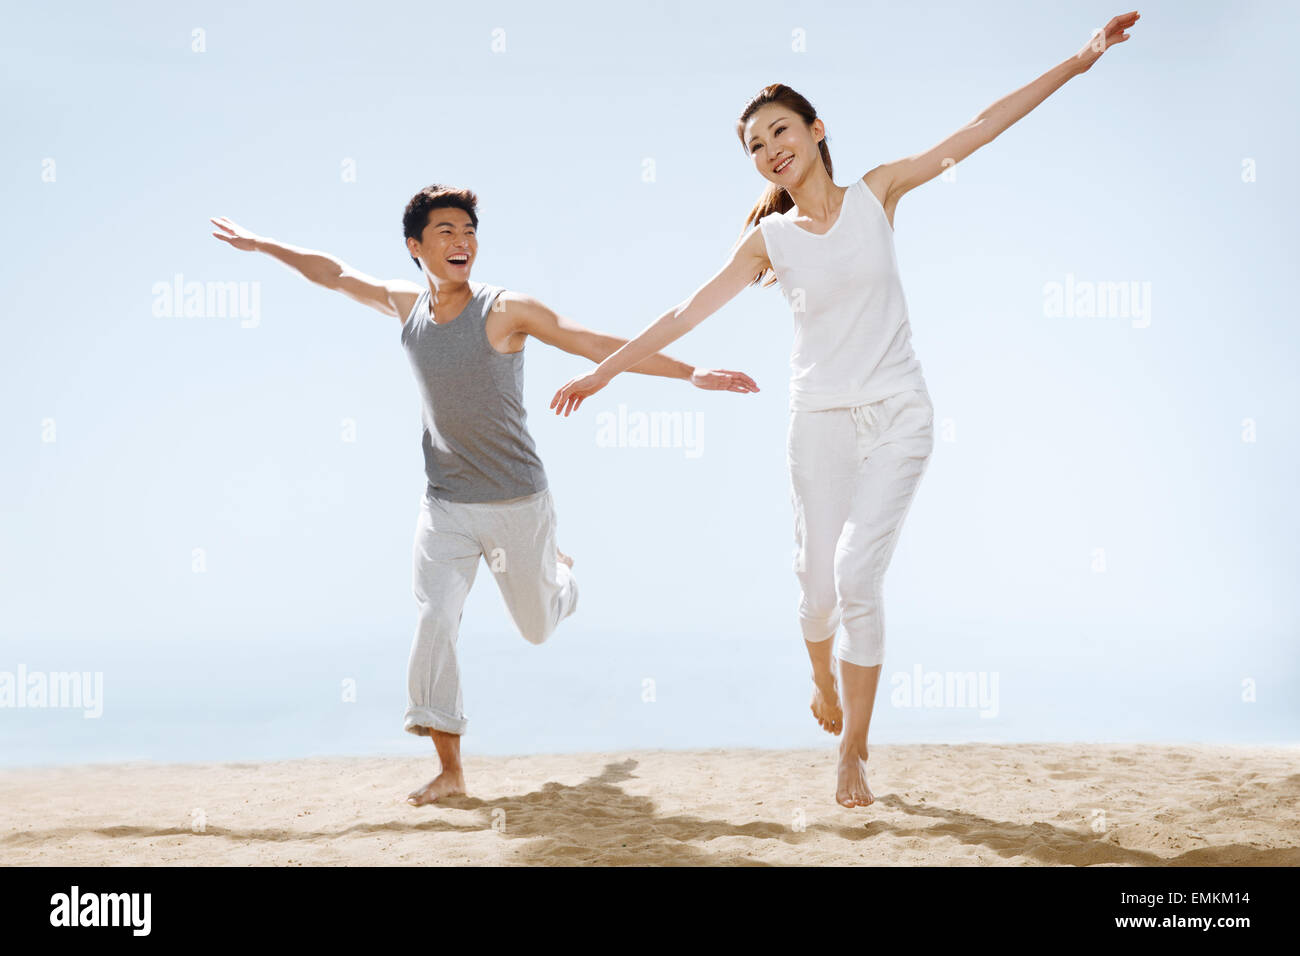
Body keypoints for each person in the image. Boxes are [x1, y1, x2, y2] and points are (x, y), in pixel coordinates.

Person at [551, 13, 1140, 808]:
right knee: (816, 587)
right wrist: (608, 375)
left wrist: (1077, 62)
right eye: (755, 145)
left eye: (780, 131)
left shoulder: (878, 193)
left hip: (899, 410)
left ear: (817, 129)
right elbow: (685, 312)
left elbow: (977, 129)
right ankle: (819, 675)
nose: (769, 150)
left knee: (861, 574)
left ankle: (853, 751)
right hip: (818, 419)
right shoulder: (771, 242)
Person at [210, 184, 758, 806]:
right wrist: (260, 244)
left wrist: (690, 373)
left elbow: (594, 342)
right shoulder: (405, 305)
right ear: (414, 246)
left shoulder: (505, 310)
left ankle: (561, 574)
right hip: (443, 503)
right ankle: (450, 770)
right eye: (445, 231)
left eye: (468, 230)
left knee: (537, 627)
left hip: (517, 504)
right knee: (434, 618)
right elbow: (332, 273)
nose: (461, 240)